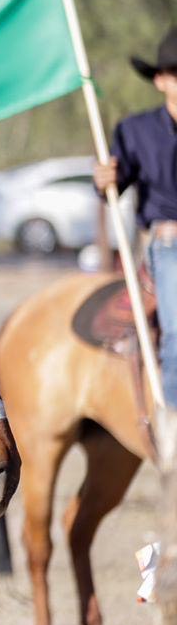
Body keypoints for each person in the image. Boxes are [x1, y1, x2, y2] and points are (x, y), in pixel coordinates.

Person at [95, 27, 177, 409]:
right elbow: (114, 182)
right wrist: (104, 179)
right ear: (160, 79)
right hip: (169, 243)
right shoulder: (135, 131)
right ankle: (174, 424)